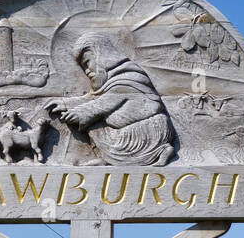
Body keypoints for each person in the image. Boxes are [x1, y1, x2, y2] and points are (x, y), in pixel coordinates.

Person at [45, 32, 176, 166]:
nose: (87, 71)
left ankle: (156, 151)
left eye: (87, 63)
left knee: (94, 124)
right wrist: (65, 103)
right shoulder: (112, 80)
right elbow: (92, 98)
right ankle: (110, 158)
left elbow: (99, 105)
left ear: (101, 56)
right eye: (83, 68)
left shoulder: (126, 78)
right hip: (135, 131)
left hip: (145, 133)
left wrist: (78, 113)